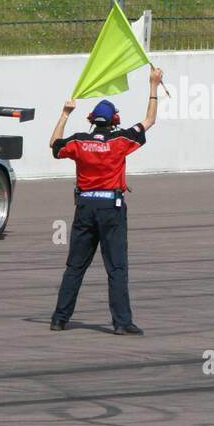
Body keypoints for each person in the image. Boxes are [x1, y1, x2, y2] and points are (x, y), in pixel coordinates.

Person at [49, 66, 164, 335]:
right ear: (114, 121)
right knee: (117, 268)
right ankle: (122, 323)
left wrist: (65, 114)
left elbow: (54, 143)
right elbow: (150, 121)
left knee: (75, 267)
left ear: (91, 120)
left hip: (85, 208)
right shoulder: (120, 140)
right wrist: (153, 85)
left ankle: (59, 318)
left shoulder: (78, 142)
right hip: (111, 209)